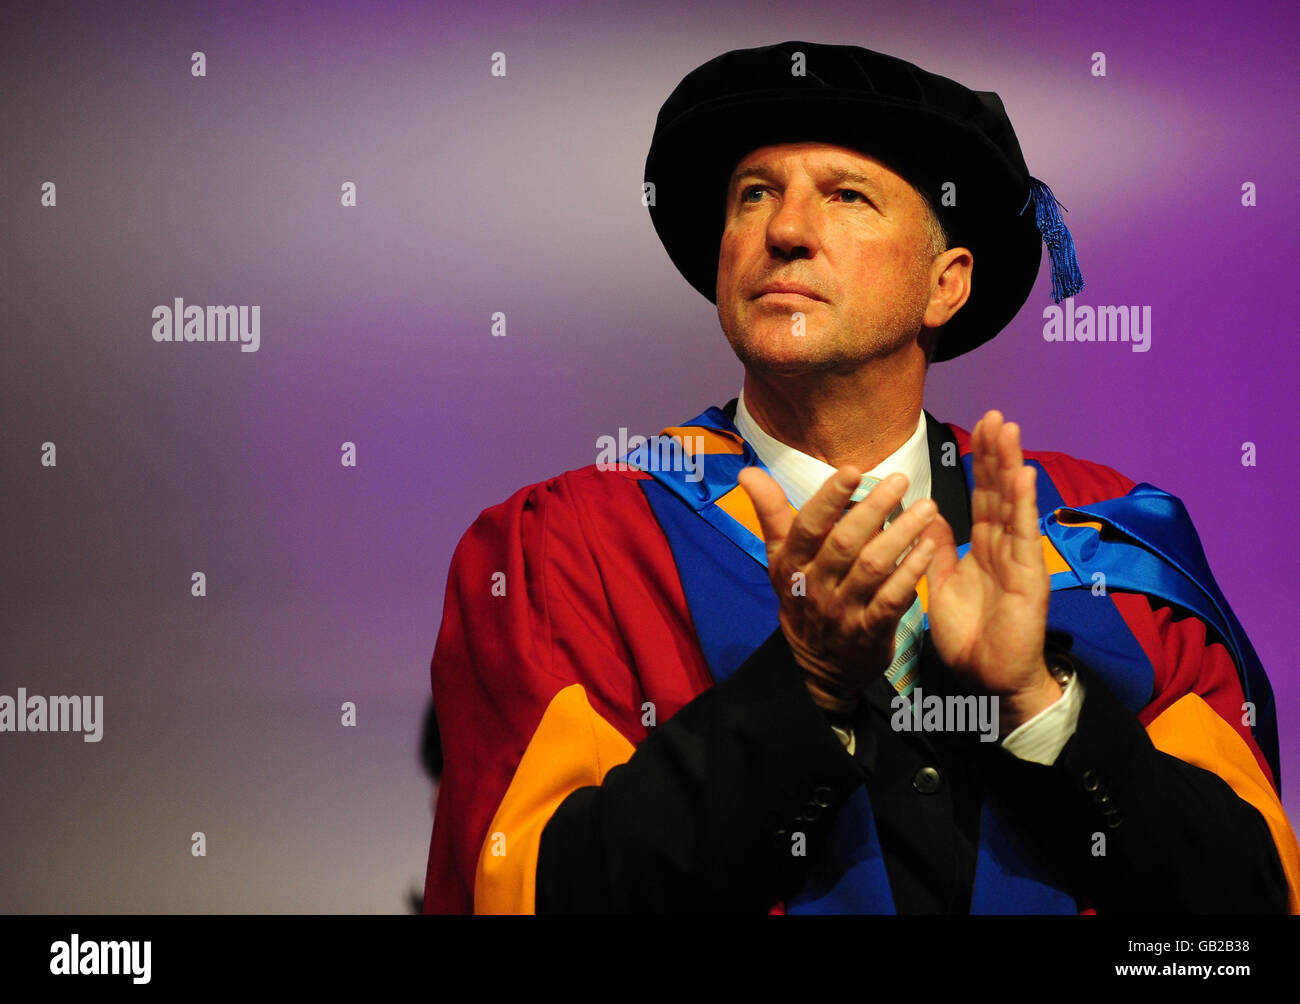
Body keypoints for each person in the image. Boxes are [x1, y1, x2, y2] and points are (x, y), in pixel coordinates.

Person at [421, 40, 1299, 914]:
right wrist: (802, 685)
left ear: (945, 285)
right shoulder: (574, 546)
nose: (786, 230)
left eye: (846, 197)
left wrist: (1041, 705)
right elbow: (528, 894)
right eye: (754, 194)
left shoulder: (1110, 544)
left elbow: (1247, 913)